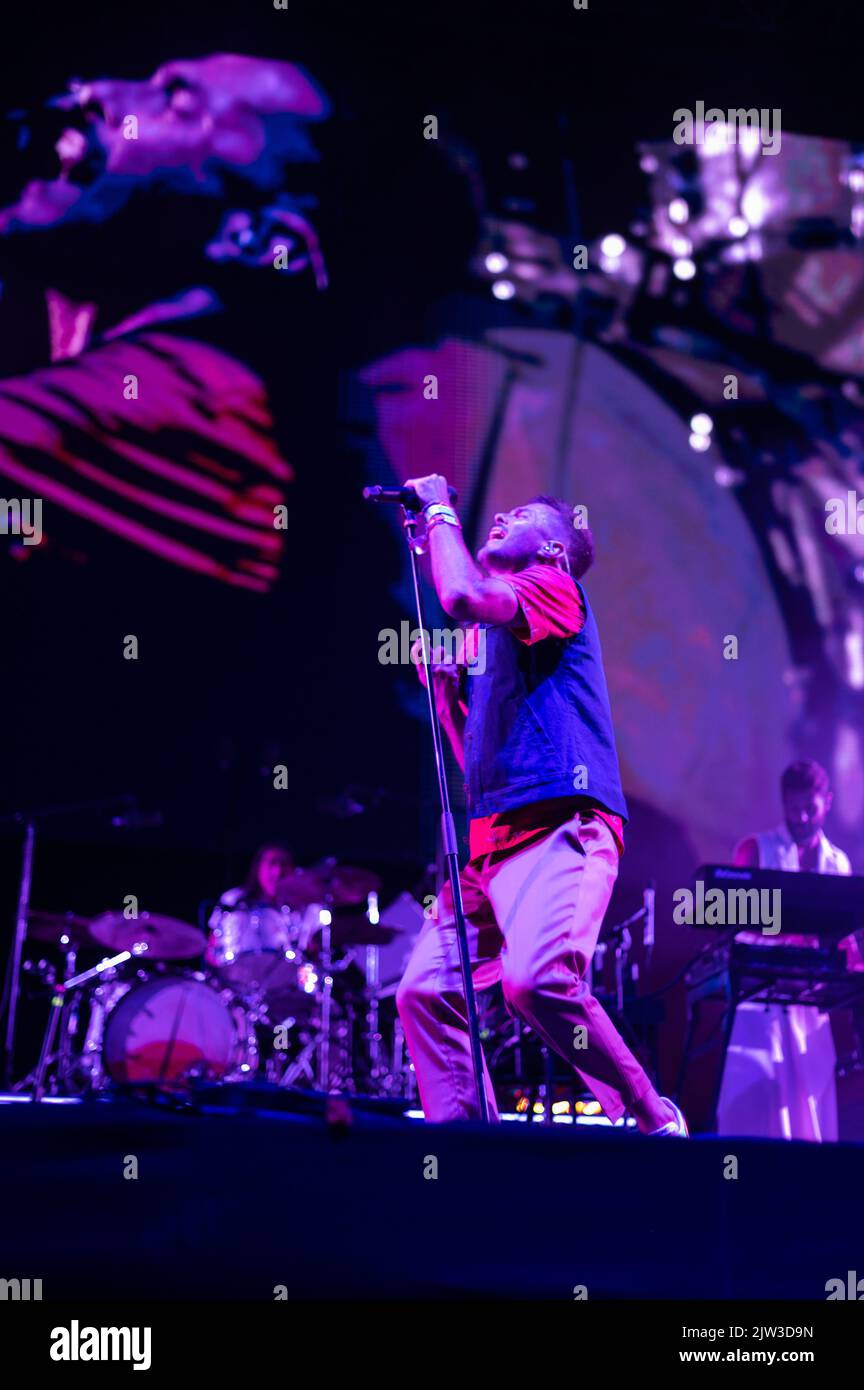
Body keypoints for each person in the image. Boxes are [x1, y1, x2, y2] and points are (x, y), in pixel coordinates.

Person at [395, 476, 687, 1134]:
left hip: (561, 824)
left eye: (521, 515)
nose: (499, 515)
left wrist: (441, 508)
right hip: (492, 846)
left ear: (554, 551)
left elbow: (461, 594)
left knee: (536, 981)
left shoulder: (552, 588)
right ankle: (469, 1147)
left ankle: (653, 1121)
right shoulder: (501, 640)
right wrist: (447, 702)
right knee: (426, 992)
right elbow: (482, 769)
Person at [718, 759, 852, 1141]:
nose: (802, 817)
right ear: (783, 804)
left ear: (827, 802)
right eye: (794, 808)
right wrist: (786, 940)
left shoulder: (837, 862)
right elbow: (734, 929)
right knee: (752, 1107)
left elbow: (842, 943)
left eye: (810, 808)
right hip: (759, 1000)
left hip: (811, 1008)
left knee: (810, 1108)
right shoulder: (755, 849)